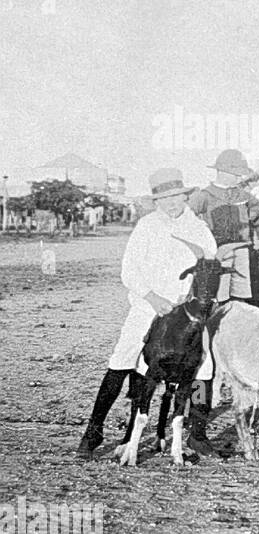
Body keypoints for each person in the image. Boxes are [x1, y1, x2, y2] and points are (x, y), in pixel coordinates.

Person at [77, 169, 217, 458]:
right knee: (123, 359)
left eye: (175, 197)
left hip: (186, 313)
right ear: (156, 201)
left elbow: (210, 267)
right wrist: (153, 298)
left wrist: (190, 298)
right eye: (163, 199)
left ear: (185, 196)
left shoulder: (199, 229)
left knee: (204, 368)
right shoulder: (147, 226)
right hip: (147, 306)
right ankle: (94, 428)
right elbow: (129, 271)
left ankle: (198, 432)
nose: (171, 203)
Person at [188, 149, 259, 303]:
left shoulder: (240, 193)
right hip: (219, 250)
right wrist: (201, 226)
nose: (239, 178)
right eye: (236, 174)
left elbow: (258, 206)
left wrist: (247, 217)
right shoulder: (205, 194)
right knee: (221, 290)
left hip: (241, 248)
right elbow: (188, 214)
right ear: (222, 172)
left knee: (241, 289)